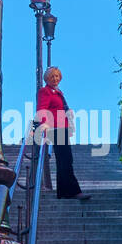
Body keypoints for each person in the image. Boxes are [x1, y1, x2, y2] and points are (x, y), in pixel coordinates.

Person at [35, 66, 90, 201]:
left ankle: (63, 192)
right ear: (47, 79)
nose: (55, 78)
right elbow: (41, 109)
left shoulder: (58, 93)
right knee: (65, 159)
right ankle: (74, 191)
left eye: (57, 76)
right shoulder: (45, 92)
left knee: (64, 160)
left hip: (62, 128)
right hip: (55, 128)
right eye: (52, 76)